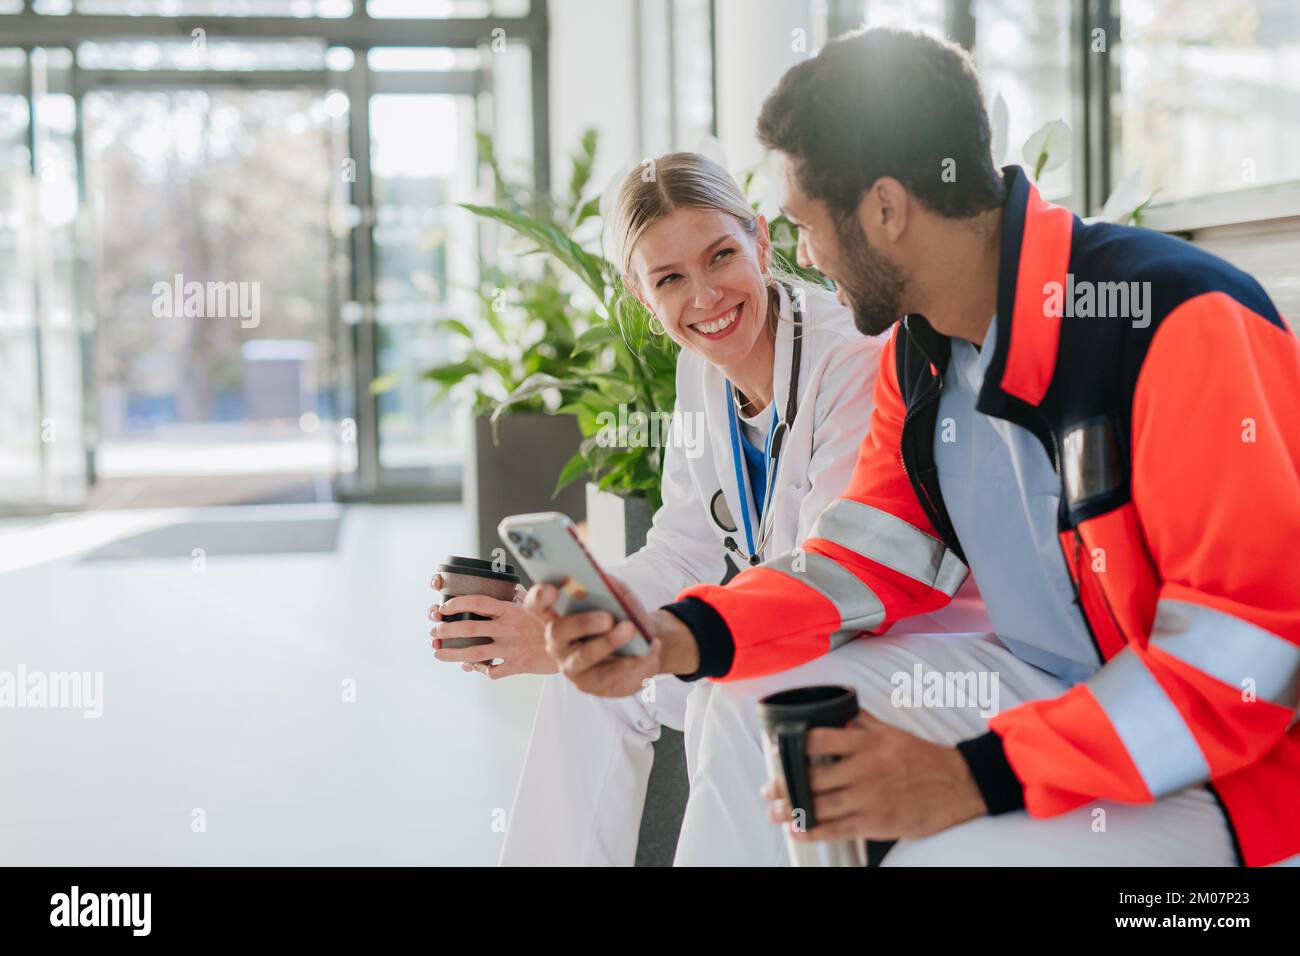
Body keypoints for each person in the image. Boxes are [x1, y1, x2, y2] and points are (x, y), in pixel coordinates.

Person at [529, 27, 1300, 867]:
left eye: (806, 226)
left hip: (1230, 765)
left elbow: (1242, 664)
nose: (807, 258)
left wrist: (968, 778)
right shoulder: (920, 352)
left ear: (886, 211)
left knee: (935, 858)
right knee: (752, 705)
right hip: (1046, 686)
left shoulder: (1177, 319)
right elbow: (856, 562)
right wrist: (675, 635)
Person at [428, 151, 988, 865]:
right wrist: (583, 619)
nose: (705, 297)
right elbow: (684, 549)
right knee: (587, 688)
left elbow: (834, 580)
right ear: (639, 292)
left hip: (889, 637)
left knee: (722, 700)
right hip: (770, 625)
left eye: (721, 256)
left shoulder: (849, 356)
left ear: (761, 239)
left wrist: (654, 637)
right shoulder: (704, 370)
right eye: (669, 279)